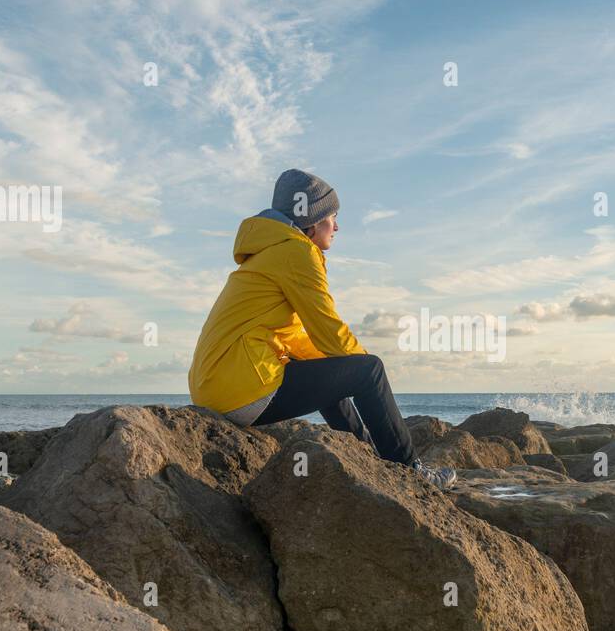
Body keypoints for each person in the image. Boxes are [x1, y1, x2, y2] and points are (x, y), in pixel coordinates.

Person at [188, 168, 456, 489]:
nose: (337, 226)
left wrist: (342, 367)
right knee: (369, 370)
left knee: (329, 365)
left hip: (217, 387)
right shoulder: (296, 251)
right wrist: (363, 369)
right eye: (332, 217)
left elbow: (305, 341)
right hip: (242, 388)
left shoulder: (269, 253)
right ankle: (410, 470)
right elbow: (328, 329)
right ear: (312, 222)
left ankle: (366, 453)